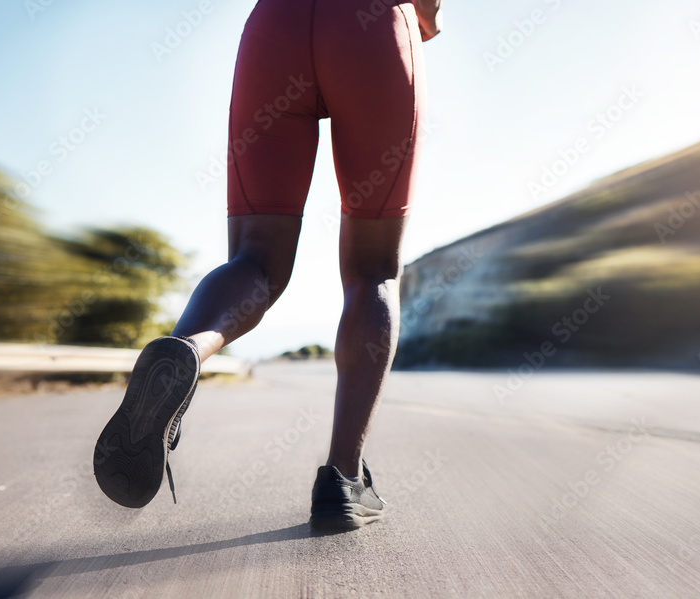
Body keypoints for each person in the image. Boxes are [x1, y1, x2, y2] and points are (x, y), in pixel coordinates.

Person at [94, 0, 442, 531]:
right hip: (372, 29)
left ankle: (188, 348)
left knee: (257, 259)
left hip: (274, 28)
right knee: (374, 271)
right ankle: (343, 480)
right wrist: (428, 20)